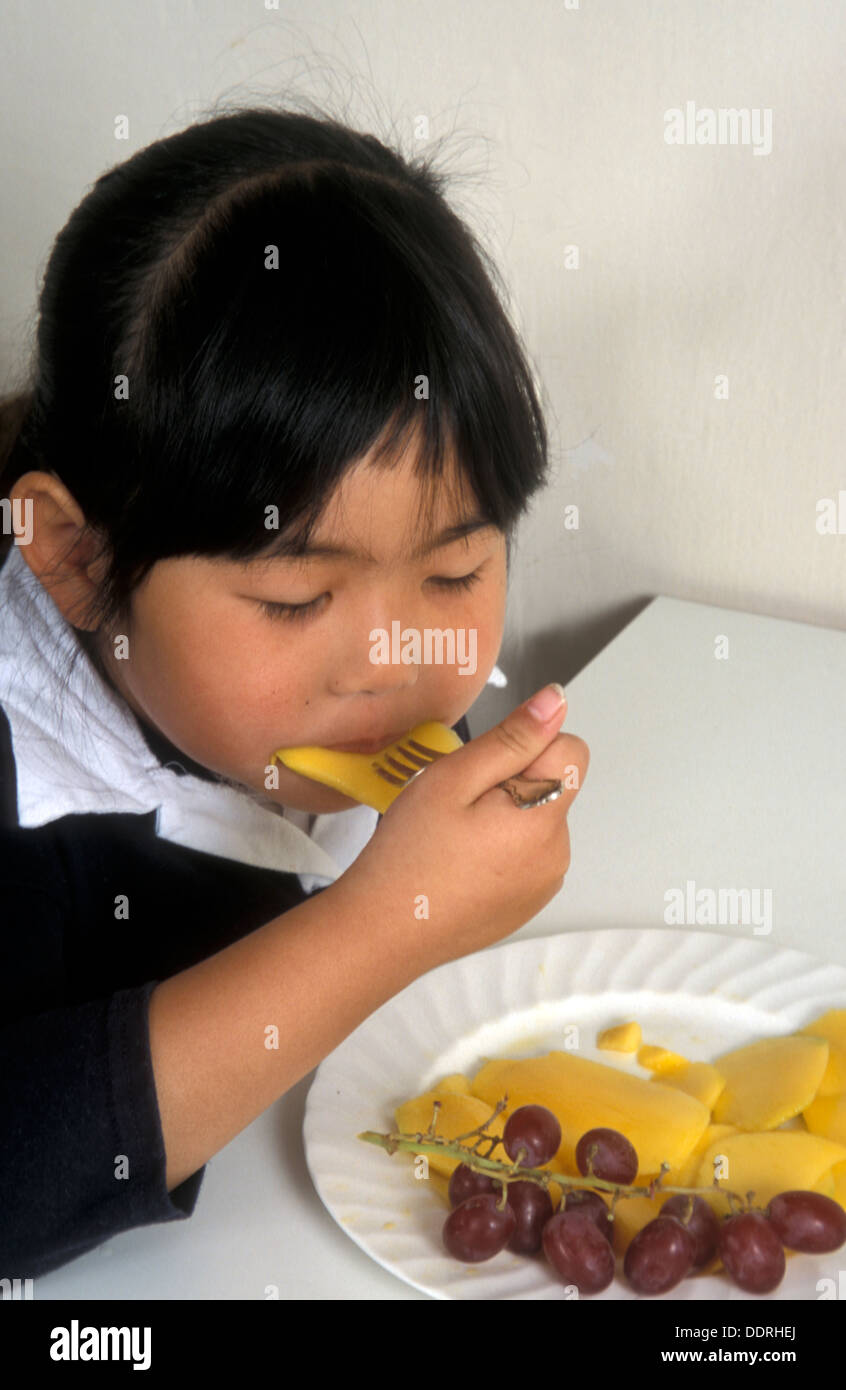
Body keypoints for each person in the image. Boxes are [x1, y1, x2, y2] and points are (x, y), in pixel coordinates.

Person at [0, 103, 589, 1279]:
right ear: (70, 560)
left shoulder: (351, 697)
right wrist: (383, 926)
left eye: (456, 570)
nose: (397, 659)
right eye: (295, 602)